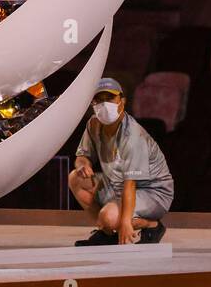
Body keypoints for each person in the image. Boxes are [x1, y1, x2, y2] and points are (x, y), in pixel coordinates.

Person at [69, 78, 173, 245]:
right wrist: (83, 164)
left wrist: (124, 223)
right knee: (76, 179)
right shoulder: (94, 124)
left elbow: (130, 185)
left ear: (122, 101)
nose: (104, 104)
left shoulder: (133, 136)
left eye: (110, 98)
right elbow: (82, 156)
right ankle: (107, 231)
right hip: (117, 183)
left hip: (152, 191)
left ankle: (151, 225)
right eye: (99, 100)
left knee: (109, 217)